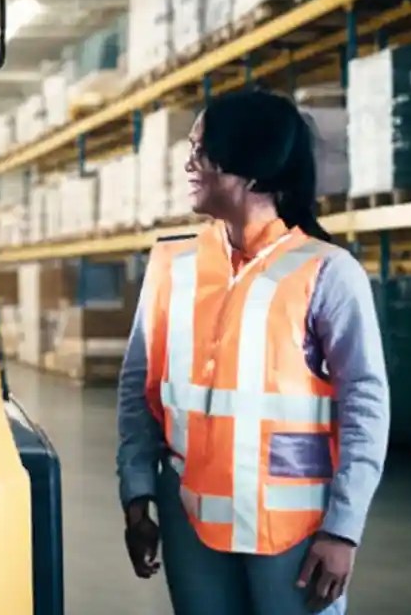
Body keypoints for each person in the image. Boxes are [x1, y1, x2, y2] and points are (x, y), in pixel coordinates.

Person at [115, 90, 390, 615]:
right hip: (190, 524)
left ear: (252, 164)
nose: (189, 164)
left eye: (202, 151)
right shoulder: (172, 266)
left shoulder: (327, 272)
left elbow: (365, 406)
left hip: (294, 534)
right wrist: (136, 494)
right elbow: (138, 390)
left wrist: (343, 529)